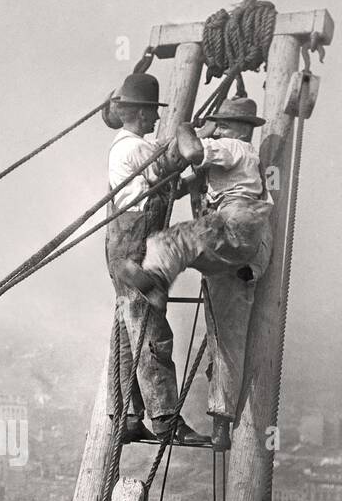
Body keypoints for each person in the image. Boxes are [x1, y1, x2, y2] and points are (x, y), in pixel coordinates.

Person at [121, 95, 274, 451]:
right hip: (240, 254)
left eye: (221, 123)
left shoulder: (233, 147)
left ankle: (156, 282)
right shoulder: (231, 162)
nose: (216, 129)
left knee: (170, 241)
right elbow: (184, 185)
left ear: (238, 128)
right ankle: (222, 425)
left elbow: (191, 151)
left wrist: (187, 126)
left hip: (235, 226)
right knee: (226, 341)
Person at [104, 73, 210, 446]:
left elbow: (161, 184)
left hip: (123, 254)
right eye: (151, 112)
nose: (153, 119)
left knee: (127, 336)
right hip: (136, 256)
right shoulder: (133, 147)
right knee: (153, 334)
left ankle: (128, 417)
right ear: (138, 113)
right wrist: (190, 132)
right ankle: (166, 418)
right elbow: (167, 159)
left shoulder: (124, 148)